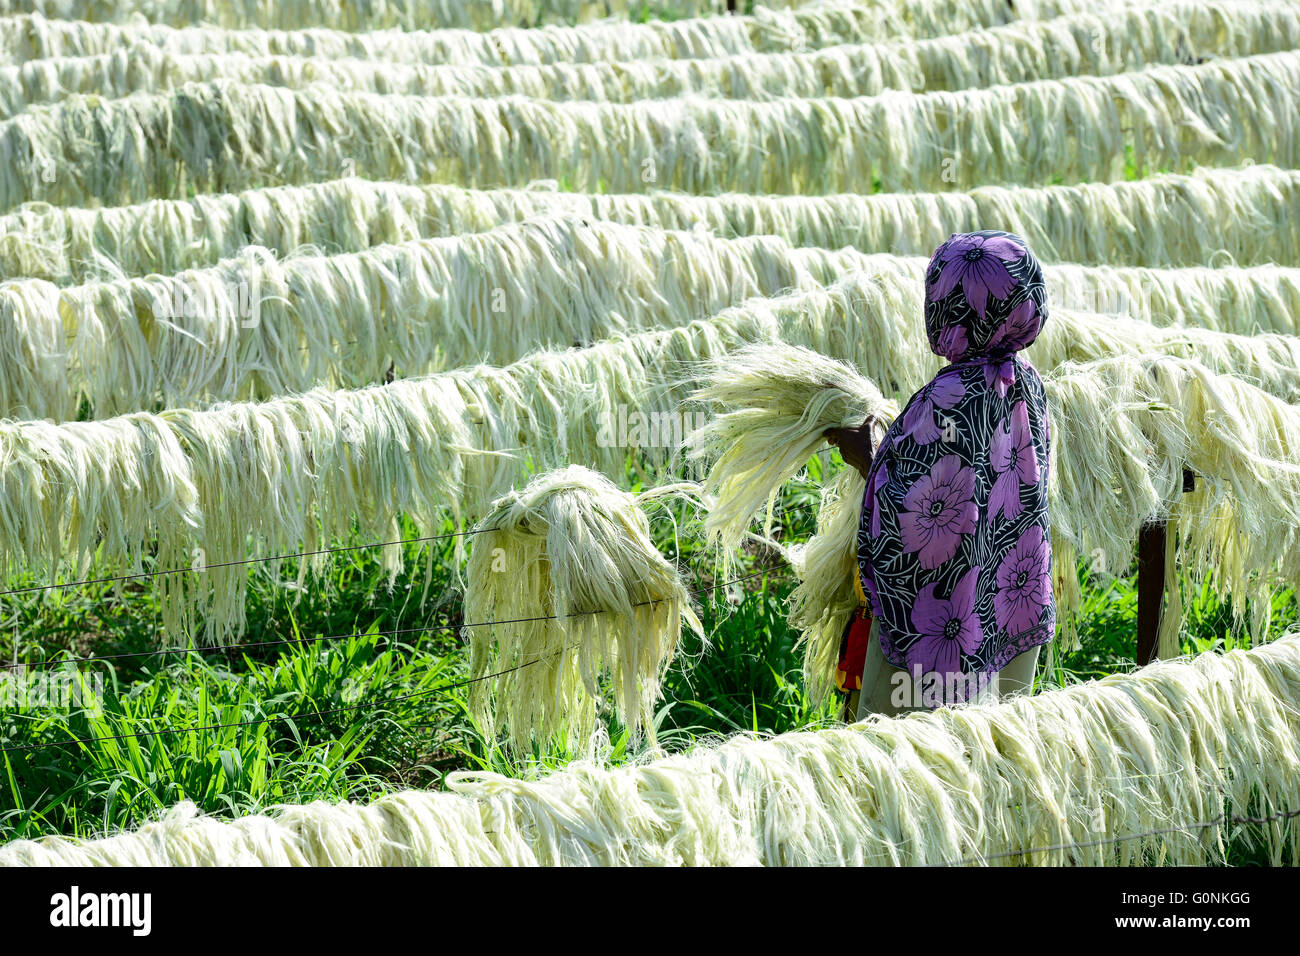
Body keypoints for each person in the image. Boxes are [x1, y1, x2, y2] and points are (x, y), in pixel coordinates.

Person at [826, 231, 1055, 718]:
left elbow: (909, 512)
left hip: (944, 623)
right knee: (990, 744)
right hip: (1006, 600)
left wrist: (867, 459)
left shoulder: (944, 400)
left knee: (912, 763)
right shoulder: (1026, 385)